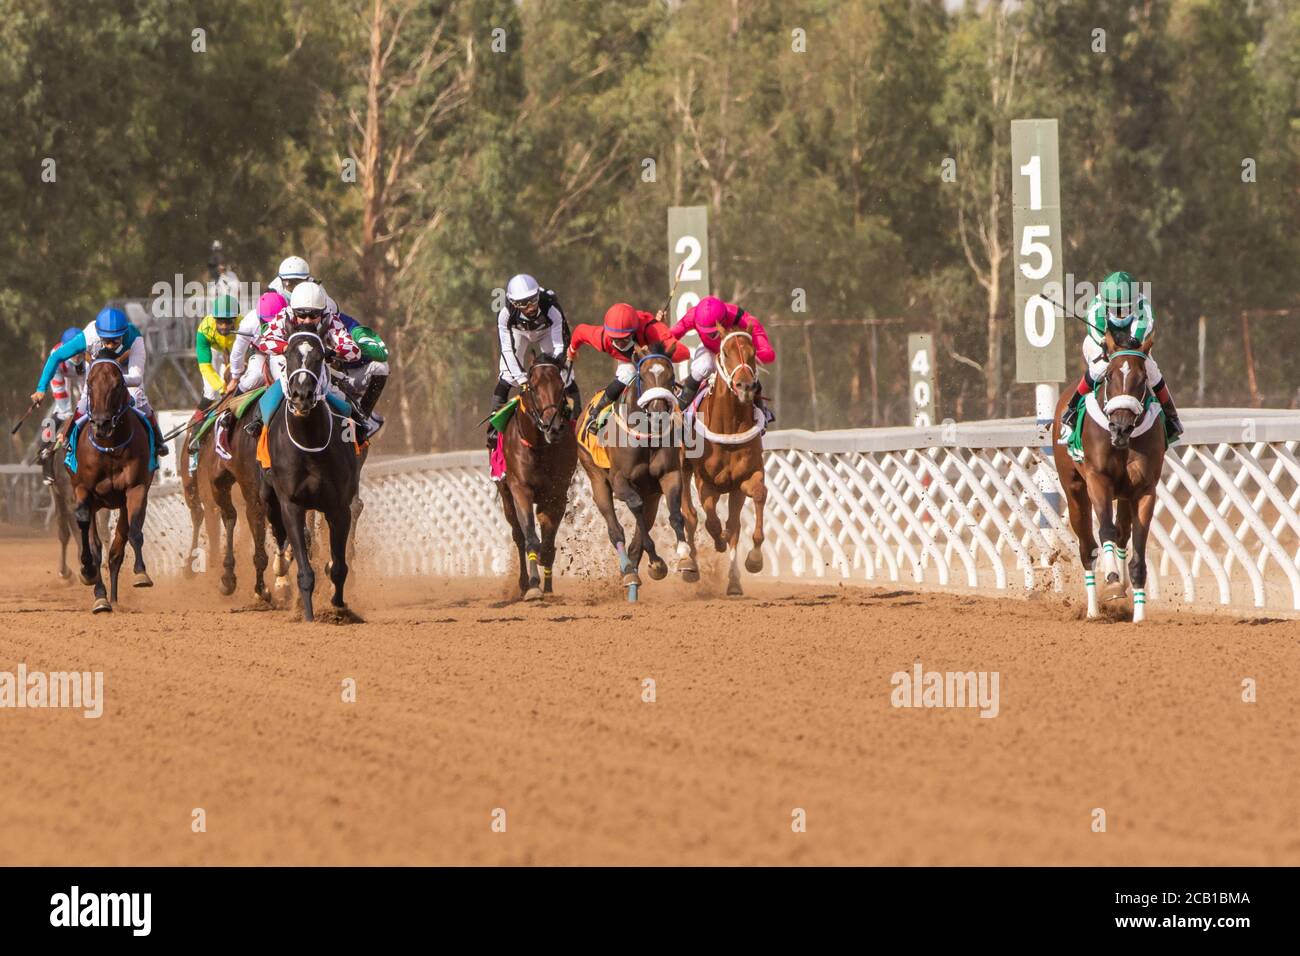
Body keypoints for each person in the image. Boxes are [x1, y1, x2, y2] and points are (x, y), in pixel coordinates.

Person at [243, 282, 379, 441]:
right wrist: (288, 348)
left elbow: (354, 351)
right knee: (283, 382)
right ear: (294, 311)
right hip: (286, 359)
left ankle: (358, 423)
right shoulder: (285, 315)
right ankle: (258, 421)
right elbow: (265, 342)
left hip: (316, 360)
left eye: (314, 315)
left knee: (332, 390)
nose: (307, 320)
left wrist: (333, 351)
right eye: (301, 314)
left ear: (322, 311)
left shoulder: (330, 318)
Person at [1058, 271, 1182, 445]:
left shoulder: (1143, 305)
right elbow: (1096, 330)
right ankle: (1071, 410)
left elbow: (1143, 326)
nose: (1121, 313)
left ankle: (1171, 417)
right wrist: (1106, 342)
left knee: (1152, 371)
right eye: (1116, 309)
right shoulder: (1096, 307)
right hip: (1100, 343)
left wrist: (1134, 340)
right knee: (1099, 368)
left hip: (1132, 345)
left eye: (1125, 309)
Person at [31, 306, 168, 456]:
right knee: (84, 402)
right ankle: (67, 439)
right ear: (98, 334)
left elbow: (136, 378)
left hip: (123, 372)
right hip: (98, 370)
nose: (109, 346)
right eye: (105, 341)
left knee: (139, 398)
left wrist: (113, 381)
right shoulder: (89, 336)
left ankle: (158, 441)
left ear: (124, 334)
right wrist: (41, 388)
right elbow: (56, 357)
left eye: (114, 342)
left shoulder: (135, 338)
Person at [487, 273, 579, 448]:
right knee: (507, 377)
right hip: (518, 332)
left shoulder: (551, 305)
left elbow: (560, 345)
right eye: (523, 303)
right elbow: (507, 350)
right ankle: (492, 430)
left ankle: (576, 421)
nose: (530, 307)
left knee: (566, 374)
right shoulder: (505, 314)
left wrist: (555, 367)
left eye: (533, 300)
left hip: (547, 331)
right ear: (514, 303)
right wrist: (522, 380)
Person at [566, 303, 688, 435]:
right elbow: (580, 332)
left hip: (651, 358)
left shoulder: (651, 330)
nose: (619, 344)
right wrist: (572, 351)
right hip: (628, 362)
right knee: (627, 374)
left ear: (634, 332)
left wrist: (658, 345)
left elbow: (684, 353)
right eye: (615, 339)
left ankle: (680, 417)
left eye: (624, 339)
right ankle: (596, 412)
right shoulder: (602, 337)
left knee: (658, 374)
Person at [668, 295, 776, 423]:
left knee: (748, 368)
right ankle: (680, 408)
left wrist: (754, 354)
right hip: (710, 351)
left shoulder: (740, 317)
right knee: (704, 366)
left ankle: (761, 411)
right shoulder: (692, 315)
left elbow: (766, 350)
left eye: (712, 333)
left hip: (734, 354)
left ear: (724, 320)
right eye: (705, 332)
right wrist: (655, 333)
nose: (708, 335)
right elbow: (670, 336)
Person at [35, 328, 88, 484]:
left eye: (79, 351)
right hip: (60, 374)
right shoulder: (56, 356)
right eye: (73, 352)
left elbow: (86, 393)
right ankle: (45, 453)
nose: (77, 355)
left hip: (83, 375)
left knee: (86, 405)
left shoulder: (88, 356)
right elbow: (61, 395)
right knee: (62, 411)